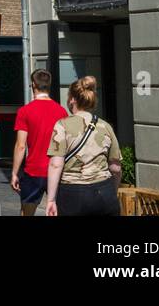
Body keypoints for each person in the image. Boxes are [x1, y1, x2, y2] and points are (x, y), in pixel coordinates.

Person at [47, 75, 122, 218]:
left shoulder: (62, 125)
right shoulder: (106, 126)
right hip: (104, 192)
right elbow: (116, 168)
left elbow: (56, 165)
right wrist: (112, 191)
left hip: (73, 194)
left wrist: (51, 199)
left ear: (73, 99)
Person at [11, 69, 68, 216]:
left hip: (33, 170)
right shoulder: (62, 112)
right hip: (56, 170)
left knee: (27, 213)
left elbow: (21, 146)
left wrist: (14, 173)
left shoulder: (25, 111)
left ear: (33, 85)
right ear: (49, 86)